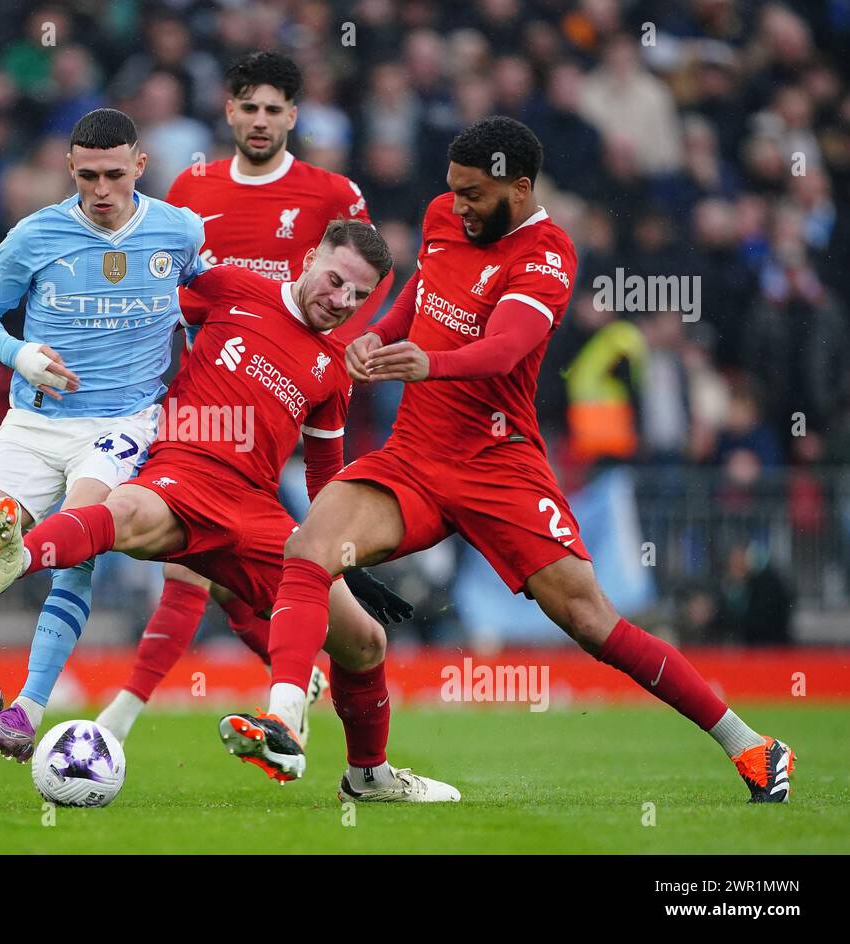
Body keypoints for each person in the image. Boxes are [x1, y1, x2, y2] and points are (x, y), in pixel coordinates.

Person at [249, 116, 794, 804]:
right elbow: (425, 289)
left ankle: (752, 746)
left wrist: (429, 362)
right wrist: (375, 337)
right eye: (454, 190)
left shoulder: (549, 252)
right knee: (310, 545)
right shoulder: (445, 215)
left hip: (498, 465)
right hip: (413, 457)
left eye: (475, 193)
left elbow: (507, 348)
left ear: (520, 187)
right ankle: (287, 720)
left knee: (593, 622)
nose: (460, 205)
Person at [0, 220, 460, 802]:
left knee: (365, 641)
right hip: (183, 470)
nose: (342, 303)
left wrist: (343, 554)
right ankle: (17, 556)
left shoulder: (333, 369)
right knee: (124, 512)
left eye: (359, 297)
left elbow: (326, 474)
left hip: (257, 509)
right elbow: (143, 310)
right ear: (309, 259)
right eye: (335, 282)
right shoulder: (233, 288)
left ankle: (366, 775)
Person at [96, 50, 402, 745]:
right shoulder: (194, 187)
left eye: (275, 109)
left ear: (294, 116)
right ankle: (260, 695)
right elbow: (167, 279)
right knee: (196, 566)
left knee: (221, 562)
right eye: (249, 107)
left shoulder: (333, 193)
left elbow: (370, 276)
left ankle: (147, 714)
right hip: (214, 385)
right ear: (228, 111)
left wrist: (345, 347)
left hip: (291, 394)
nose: (261, 121)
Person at [0, 108, 208, 766]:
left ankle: (29, 709)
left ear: (141, 166)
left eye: (115, 174)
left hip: (123, 421)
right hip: (34, 420)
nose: (102, 189)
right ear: (70, 170)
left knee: (80, 533)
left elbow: (212, 304)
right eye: (88, 176)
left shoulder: (180, 230)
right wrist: (19, 356)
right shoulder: (36, 233)